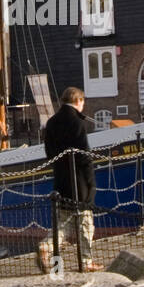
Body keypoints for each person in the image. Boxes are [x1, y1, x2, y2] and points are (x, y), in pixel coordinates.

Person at [38, 87, 101, 273]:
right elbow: (84, 156)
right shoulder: (77, 123)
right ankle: (86, 262)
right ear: (78, 101)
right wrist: (91, 183)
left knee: (63, 224)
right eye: (83, 102)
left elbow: (49, 155)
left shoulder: (51, 123)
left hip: (61, 181)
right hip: (80, 182)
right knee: (85, 223)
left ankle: (46, 246)